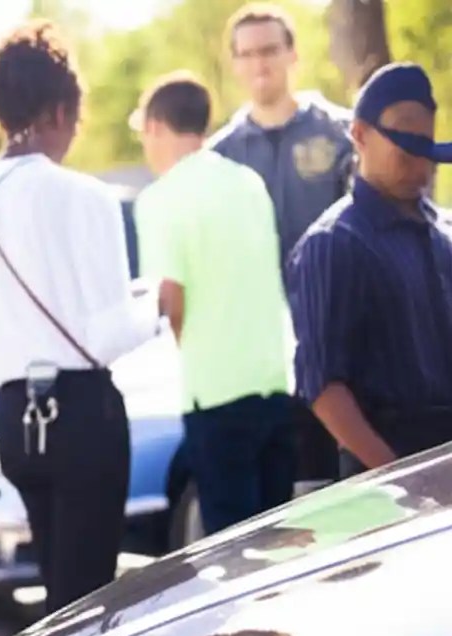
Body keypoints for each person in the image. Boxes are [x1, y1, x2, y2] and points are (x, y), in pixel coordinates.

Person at [0, 21, 158, 615]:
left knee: (57, 599)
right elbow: (109, 334)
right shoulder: (86, 197)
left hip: (16, 420)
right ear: (62, 109)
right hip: (83, 413)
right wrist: (159, 307)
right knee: (88, 602)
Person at [132, 72, 296, 535]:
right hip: (274, 381)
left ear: (157, 127)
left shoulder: (160, 199)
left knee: (232, 547)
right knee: (277, 544)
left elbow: (171, 298)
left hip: (216, 393)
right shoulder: (249, 183)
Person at [288, 62, 452, 479]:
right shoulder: (334, 242)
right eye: (405, 148)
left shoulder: (443, 231)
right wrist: (399, 477)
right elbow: (322, 385)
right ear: (360, 134)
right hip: (384, 474)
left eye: (427, 151)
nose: (420, 165)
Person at [210, 3, 355, 269]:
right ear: (234, 64)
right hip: (256, 307)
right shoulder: (219, 156)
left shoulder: (343, 134)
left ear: (293, 54)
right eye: (247, 54)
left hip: (333, 302)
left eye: (269, 51)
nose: (259, 65)